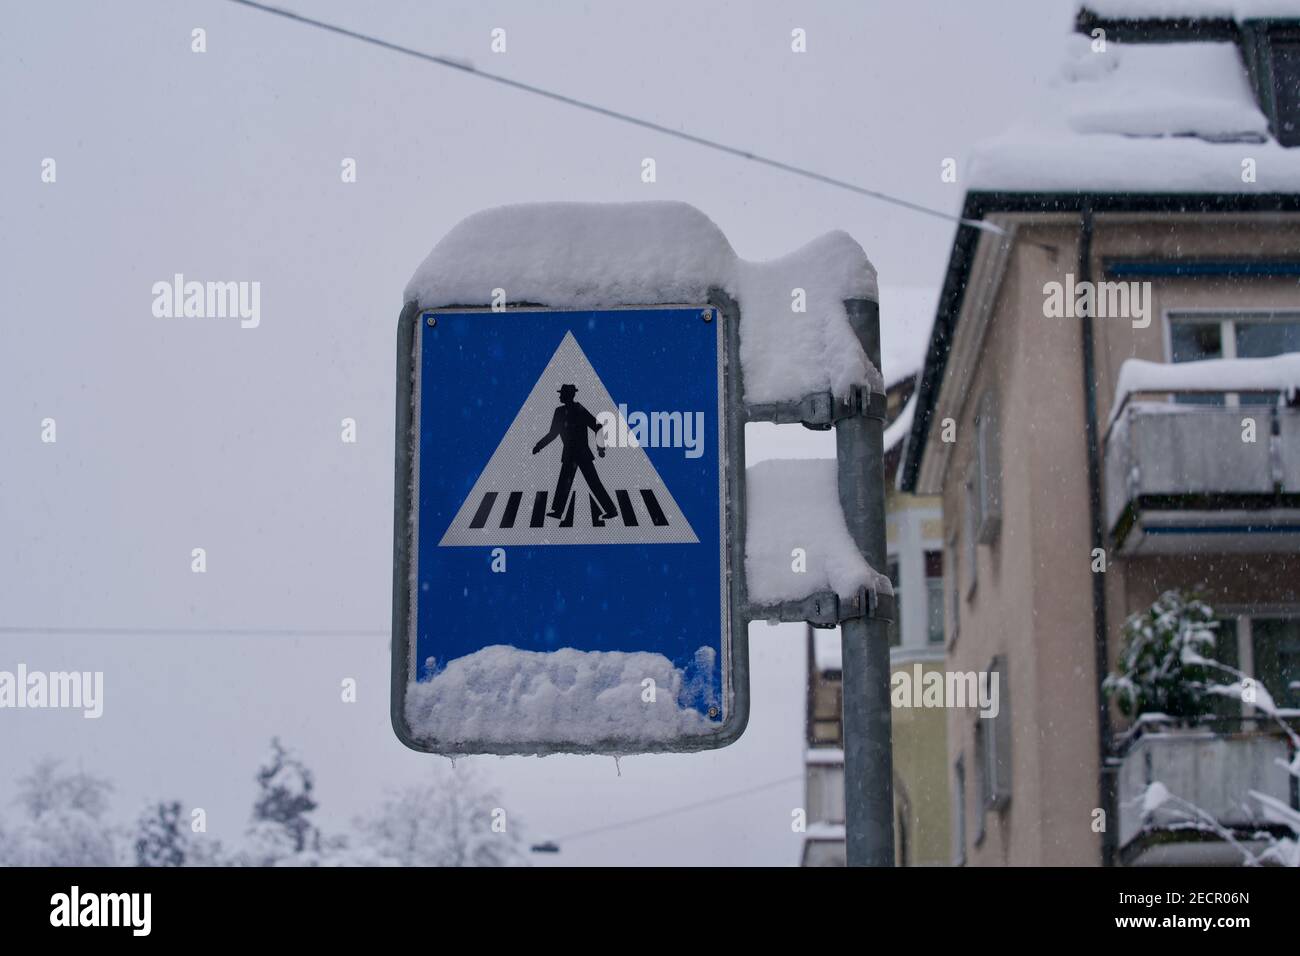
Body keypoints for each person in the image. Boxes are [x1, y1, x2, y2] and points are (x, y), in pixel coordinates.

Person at [532, 383, 618, 521]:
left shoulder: (576, 409)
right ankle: (558, 511)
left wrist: (601, 448)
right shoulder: (561, 411)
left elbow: (597, 426)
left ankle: (611, 510)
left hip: (581, 453)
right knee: (566, 483)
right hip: (573, 454)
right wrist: (539, 445)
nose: (560, 396)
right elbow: (553, 433)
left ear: (568, 395)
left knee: (591, 482)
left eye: (562, 394)